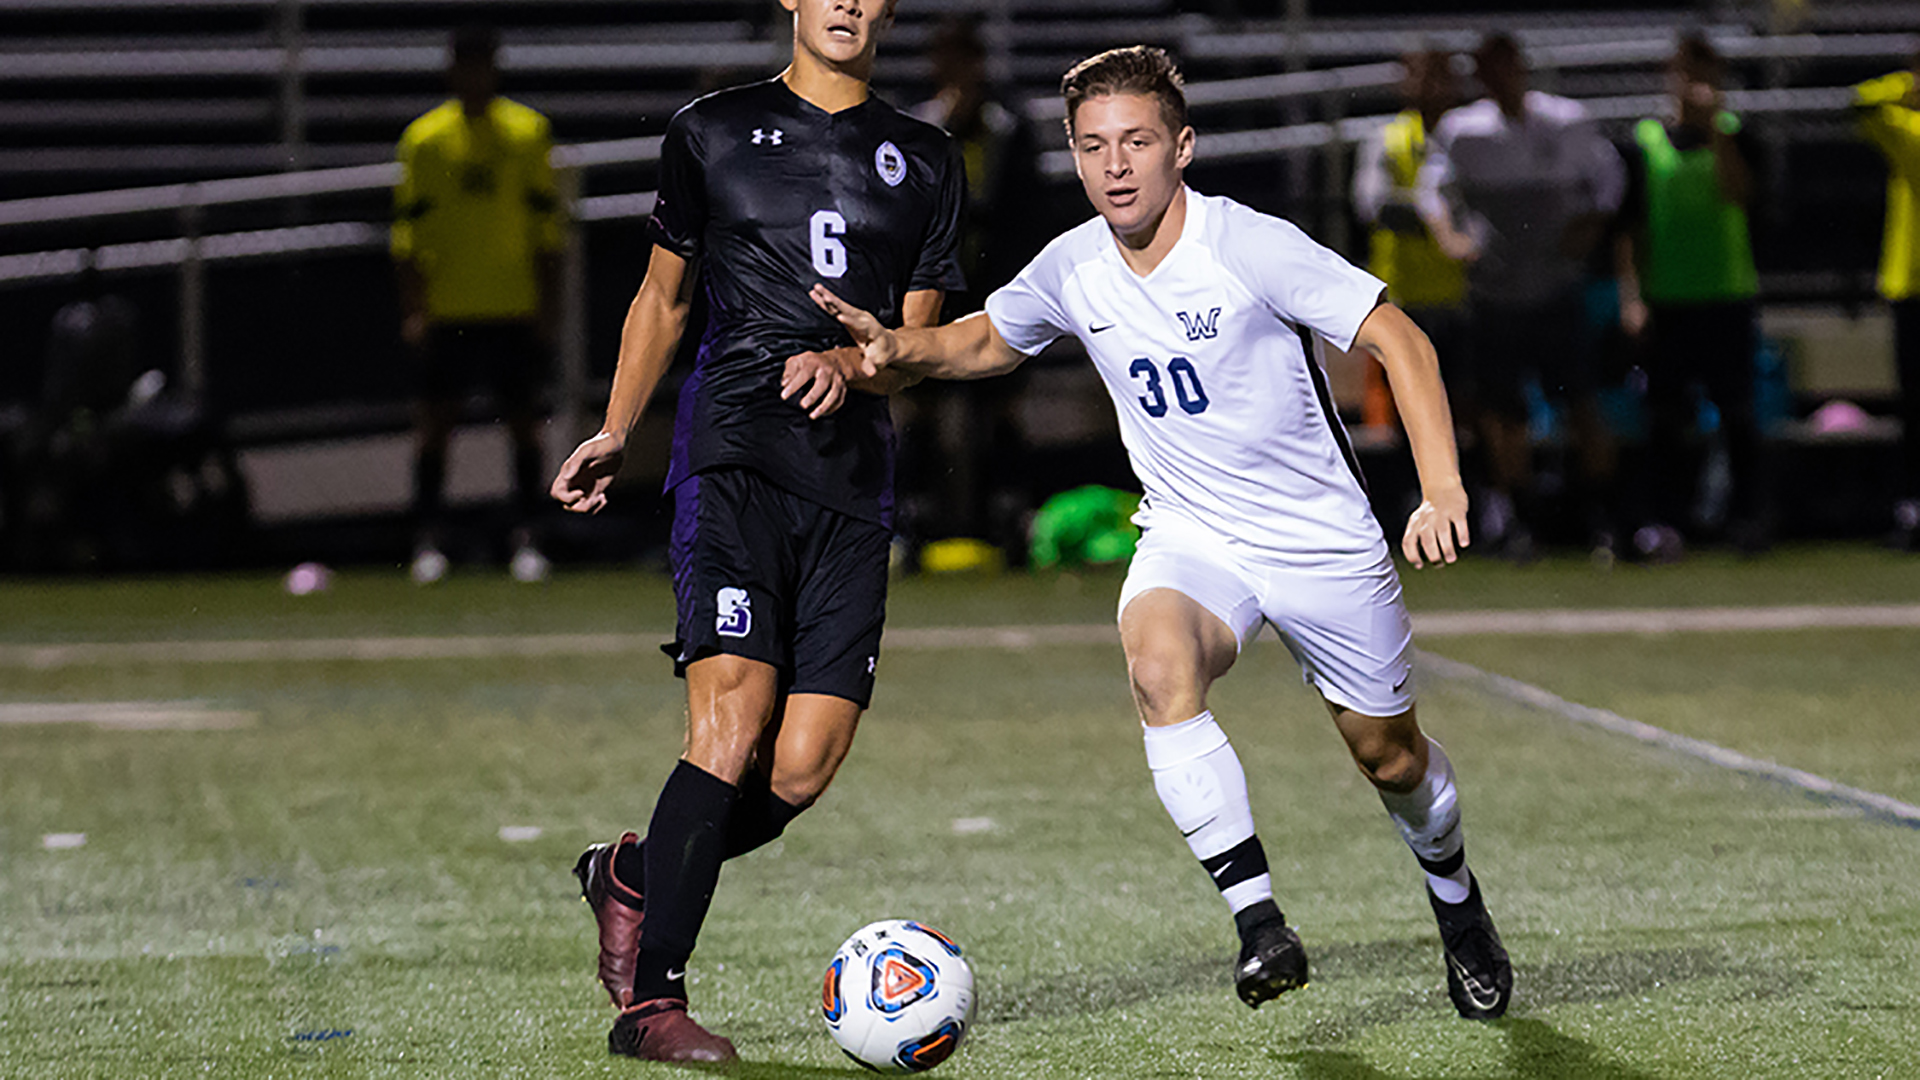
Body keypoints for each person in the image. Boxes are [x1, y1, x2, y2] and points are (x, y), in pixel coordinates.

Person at [789, 45, 1511, 1020]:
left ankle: (1457, 901)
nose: (1114, 165)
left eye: (1135, 141)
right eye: (1093, 146)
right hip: (1192, 534)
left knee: (1390, 759)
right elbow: (984, 341)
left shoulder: (1248, 244)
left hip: (1319, 542)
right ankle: (1261, 925)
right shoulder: (1074, 265)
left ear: (1183, 146)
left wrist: (1440, 486)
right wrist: (891, 348)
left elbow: (1399, 338)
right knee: (1158, 668)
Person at [549, 0, 964, 1063]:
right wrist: (614, 428)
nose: (847, 5)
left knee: (801, 767)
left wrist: (856, 364)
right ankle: (651, 1006)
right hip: (732, 455)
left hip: (853, 483)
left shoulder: (925, 157)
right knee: (730, 729)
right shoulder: (711, 130)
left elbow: (917, 341)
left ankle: (633, 875)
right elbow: (662, 298)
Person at [1417, 32, 1627, 559]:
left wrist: (1591, 228)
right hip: (1497, 289)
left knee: (1581, 402)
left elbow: (1609, 178)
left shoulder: (1565, 121)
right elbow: (1431, 188)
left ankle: (1602, 514)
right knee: (1503, 411)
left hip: (1556, 283)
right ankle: (1519, 518)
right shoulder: (1464, 130)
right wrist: (1450, 235)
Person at [392, 23, 562, 585]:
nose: (473, 76)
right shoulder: (425, 139)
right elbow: (408, 236)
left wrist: (547, 305)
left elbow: (547, 230)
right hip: (449, 309)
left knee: (523, 427)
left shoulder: (528, 132)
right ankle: (428, 541)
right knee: (435, 427)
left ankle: (529, 538)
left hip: (512, 306)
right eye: (464, 65)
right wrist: (415, 308)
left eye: (481, 64)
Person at [1616, 33, 1768, 556]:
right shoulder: (1646, 140)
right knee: (1665, 419)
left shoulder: (1737, 136)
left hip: (1727, 294)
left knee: (1738, 414)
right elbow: (1630, 228)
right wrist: (1632, 297)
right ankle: (1667, 521)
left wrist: (1718, 129)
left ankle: (1746, 519)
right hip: (1669, 300)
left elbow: (1740, 194)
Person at [1352, 47, 1468, 435]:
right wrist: (1439, 217)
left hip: (1465, 297)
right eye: (1421, 74)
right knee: (1407, 407)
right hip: (1405, 296)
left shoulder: (1470, 136)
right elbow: (1372, 205)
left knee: (1468, 405)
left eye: (1440, 74)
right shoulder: (1387, 139)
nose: (1431, 85)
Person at [1853, 53, 1920, 553]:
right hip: (1910, 286)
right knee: (1914, 410)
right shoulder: (1906, 126)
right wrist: (1905, 85)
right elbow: (1859, 105)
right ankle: (1912, 510)